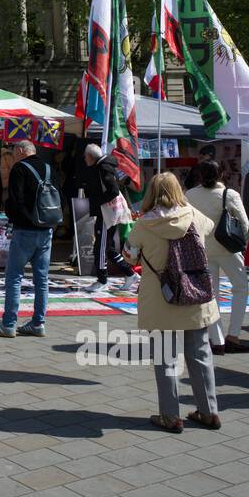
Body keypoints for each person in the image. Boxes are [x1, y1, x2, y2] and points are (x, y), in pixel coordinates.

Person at [125, 172, 221, 433]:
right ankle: (208, 411)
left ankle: (170, 415)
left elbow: (130, 255)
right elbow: (211, 228)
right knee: (200, 354)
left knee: (166, 358)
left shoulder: (144, 224)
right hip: (195, 294)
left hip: (162, 298)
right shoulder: (194, 216)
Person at [0, 140, 60, 337]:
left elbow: (15, 201)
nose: (12, 157)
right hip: (46, 229)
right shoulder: (48, 168)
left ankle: (9, 324)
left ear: (20, 151)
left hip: (25, 230)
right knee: (42, 279)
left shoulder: (20, 168)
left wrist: (13, 217)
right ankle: (38, 323)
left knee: (14, 277)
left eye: (13, 152)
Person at [186, 159, 249, 353]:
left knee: (211, 294)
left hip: (203, 249)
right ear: (221, 174)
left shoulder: (190, 195)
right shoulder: (229, 194)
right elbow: (244, 224)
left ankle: (216, 340)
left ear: (199, 175)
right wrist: (245, 243)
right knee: (241, 288)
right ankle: (233, 335)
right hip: (228, 248)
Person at [83, 143, 131, 289]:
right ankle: (130, 274)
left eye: (85, 156)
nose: (84, 159)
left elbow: (113, 190)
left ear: (90, 157)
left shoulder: (103, 168)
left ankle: (102, 280)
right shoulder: (104, 165)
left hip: (106, 213)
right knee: (107, 247)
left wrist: (97, 202)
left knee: (101, 247)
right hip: (107, 213)